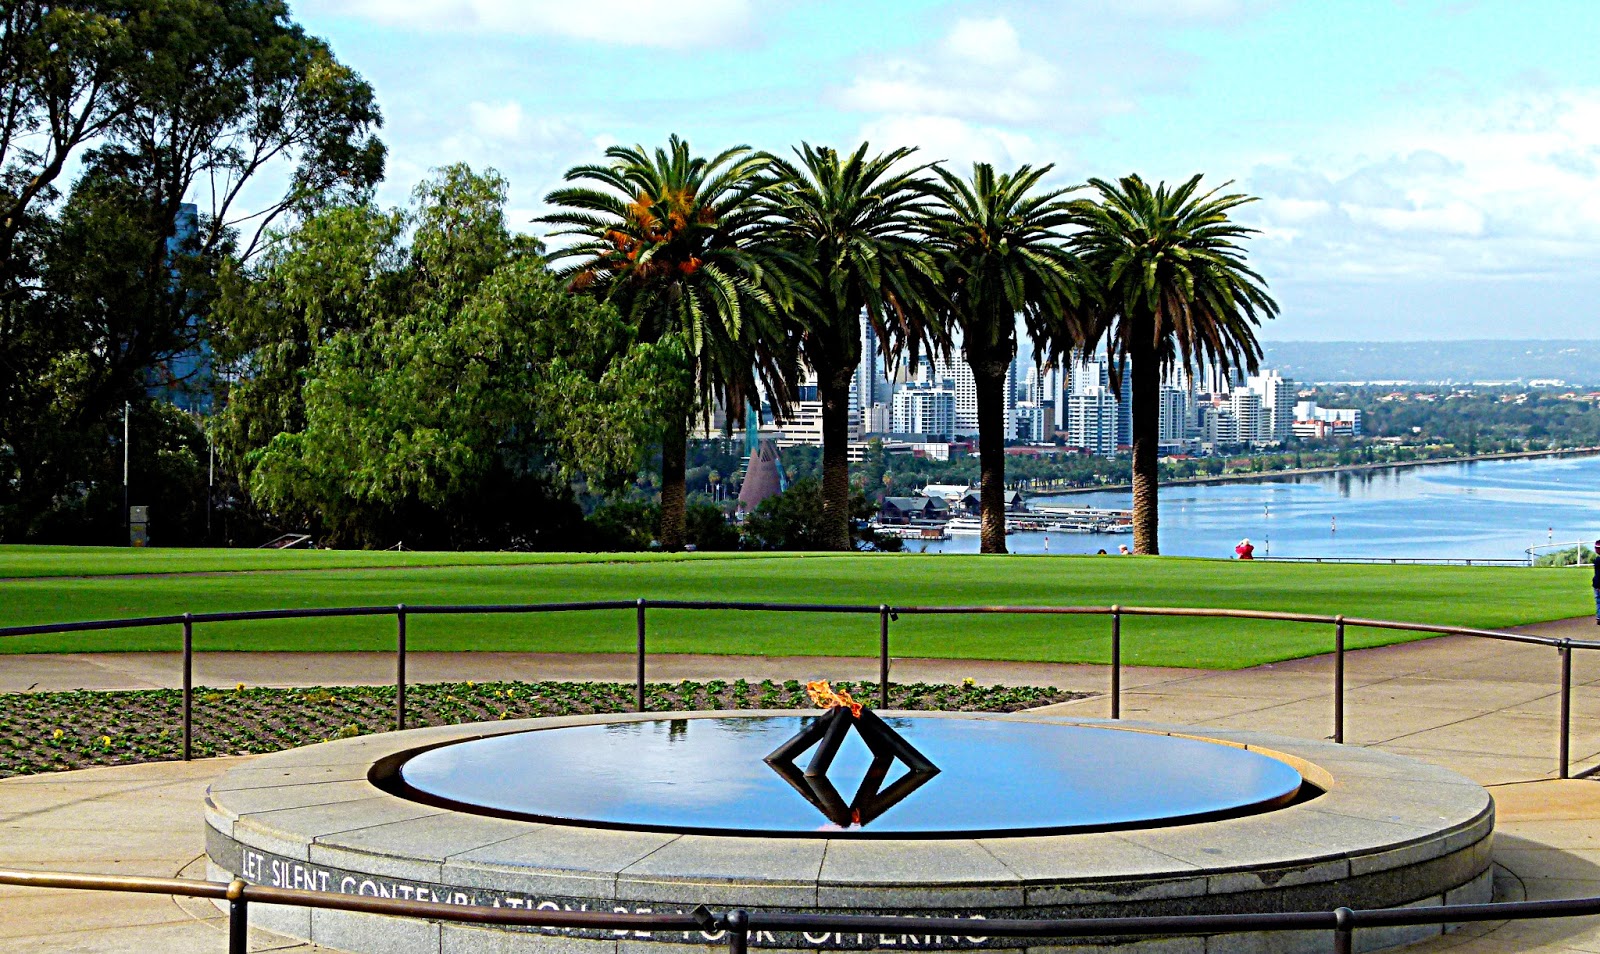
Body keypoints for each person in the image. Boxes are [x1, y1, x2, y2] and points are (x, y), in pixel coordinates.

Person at [1592, 540, 1600, 625]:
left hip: (1597, 585)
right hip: (1597, 584)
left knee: (1598, 601)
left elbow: (1598, 575)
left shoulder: (1598, 560)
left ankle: (1599, 617)